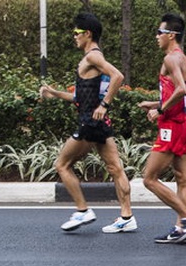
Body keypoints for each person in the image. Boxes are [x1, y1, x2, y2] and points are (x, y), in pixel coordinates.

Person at [40, 13, 134, 234]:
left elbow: (117, 76)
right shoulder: (92, 58)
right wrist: (55, 93)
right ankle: (127, 216)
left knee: (62, 165)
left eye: (76, 33)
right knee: (115, 168)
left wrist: (105, 105)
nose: (74, 37)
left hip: (89, 122)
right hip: (98, 122)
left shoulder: (92, 57)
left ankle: (82, 210)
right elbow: (80, 98)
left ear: (88, 34)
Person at [137, 13, 186, 244]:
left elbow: (180, 91)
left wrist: (161, 111)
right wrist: (155, 103)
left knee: (149, 178)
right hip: (183, 123)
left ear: (171, 35)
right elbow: (183, 95)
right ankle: (181, 228)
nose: (156, 36)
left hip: (171, 126)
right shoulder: (183, 59)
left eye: (159, 32)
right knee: (182, 178)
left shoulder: (171, 59)